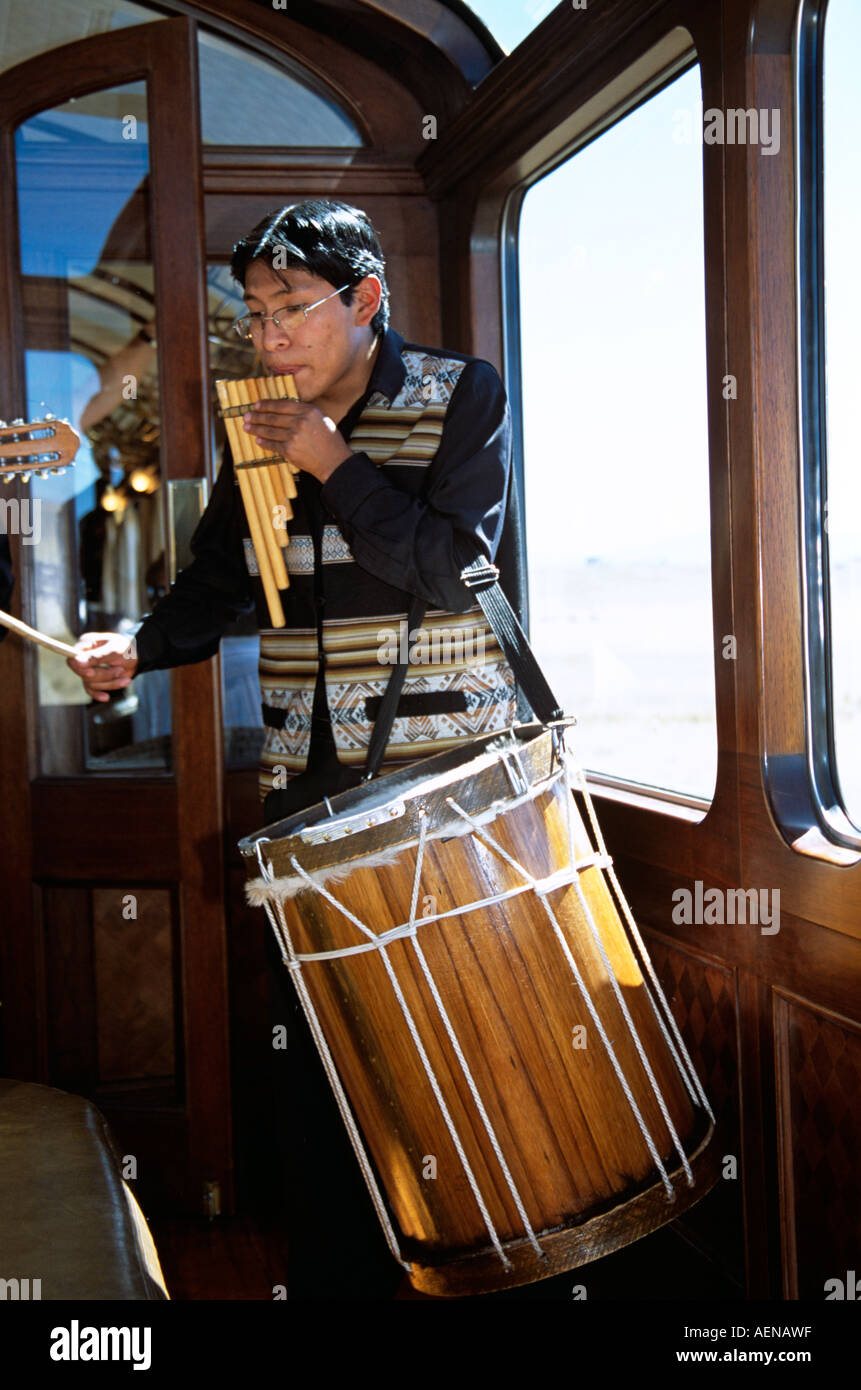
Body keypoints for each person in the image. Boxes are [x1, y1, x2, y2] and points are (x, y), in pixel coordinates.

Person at [68, 198, 519, 1297]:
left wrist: (334, 461)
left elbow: (457, 567)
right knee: (325, 1065)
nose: (269, 339)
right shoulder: (257, 420)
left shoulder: (462, 395)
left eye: (291, 312)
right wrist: (139, 643)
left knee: (452, 1052)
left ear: (365, 301)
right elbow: (225, 576)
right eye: (256, 314)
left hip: (437, 790)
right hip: (303, 793)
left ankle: (479, 1267)